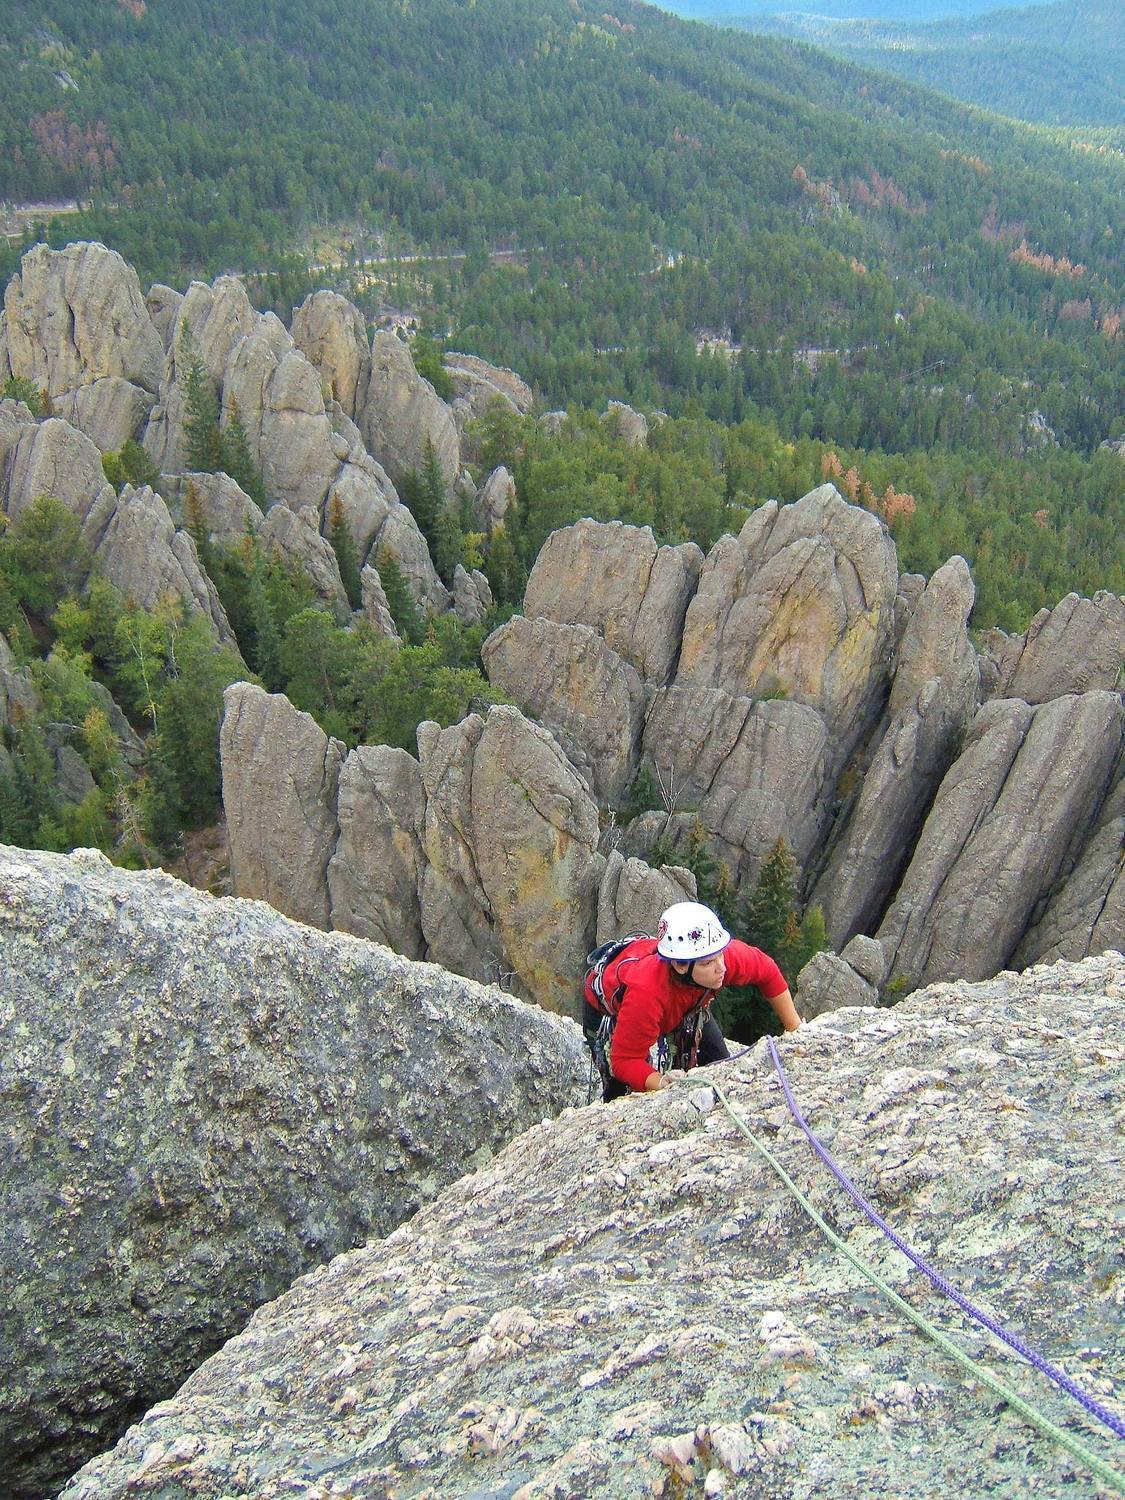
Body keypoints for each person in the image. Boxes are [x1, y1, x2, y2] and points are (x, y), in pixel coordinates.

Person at [583, 900, 803, 1100]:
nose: (722, 967)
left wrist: (796, 1029)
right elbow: (625, 1059)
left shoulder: (714, 958)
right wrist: (659, 1082)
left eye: (720, 955)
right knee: (620, 1091)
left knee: (719, 1061)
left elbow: (767, 971)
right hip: (609, 1013)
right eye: (708, 963)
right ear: (680, 965)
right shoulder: (647, 993)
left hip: (689, 1004)